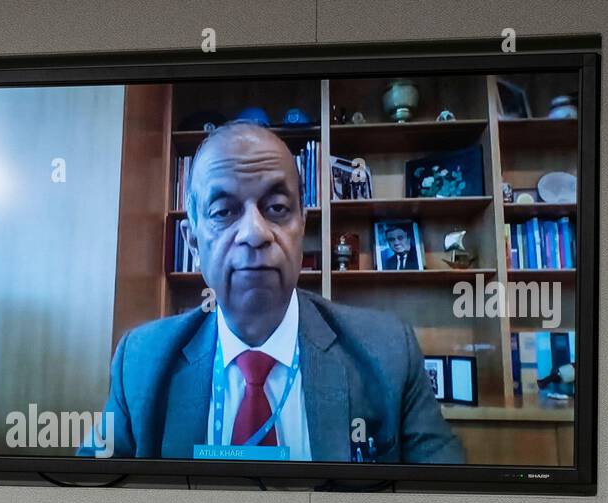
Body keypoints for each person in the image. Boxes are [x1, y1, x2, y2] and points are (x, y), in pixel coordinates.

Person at [98, 119, 463, 463]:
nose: (255, 233)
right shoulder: (141, 363)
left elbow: (446, 501)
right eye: (224, 212)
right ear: (193, 242)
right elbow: (92, 502)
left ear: (301, 227)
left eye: (276, 208)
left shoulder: (389, 352)